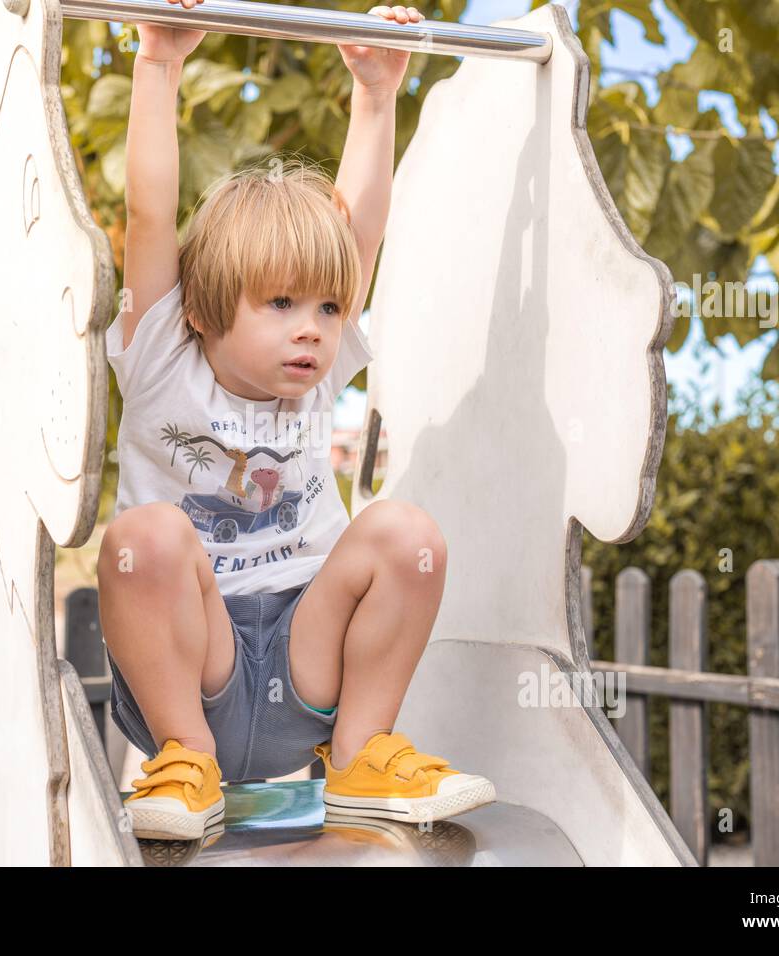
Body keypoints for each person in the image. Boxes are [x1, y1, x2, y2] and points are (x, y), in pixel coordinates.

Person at [100, 0, 496, 841]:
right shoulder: (161, 354)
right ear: (202, 310)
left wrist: (377, 95)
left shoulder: (312, 379)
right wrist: (159, 62)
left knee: (406, 534)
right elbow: (148, 214)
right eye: (280, 304)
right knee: (145, 538)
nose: (312, 328)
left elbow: (361, 229)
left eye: (327, 306)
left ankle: (359, 755)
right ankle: (185, 762)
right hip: (193, 666)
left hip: (305, 666)